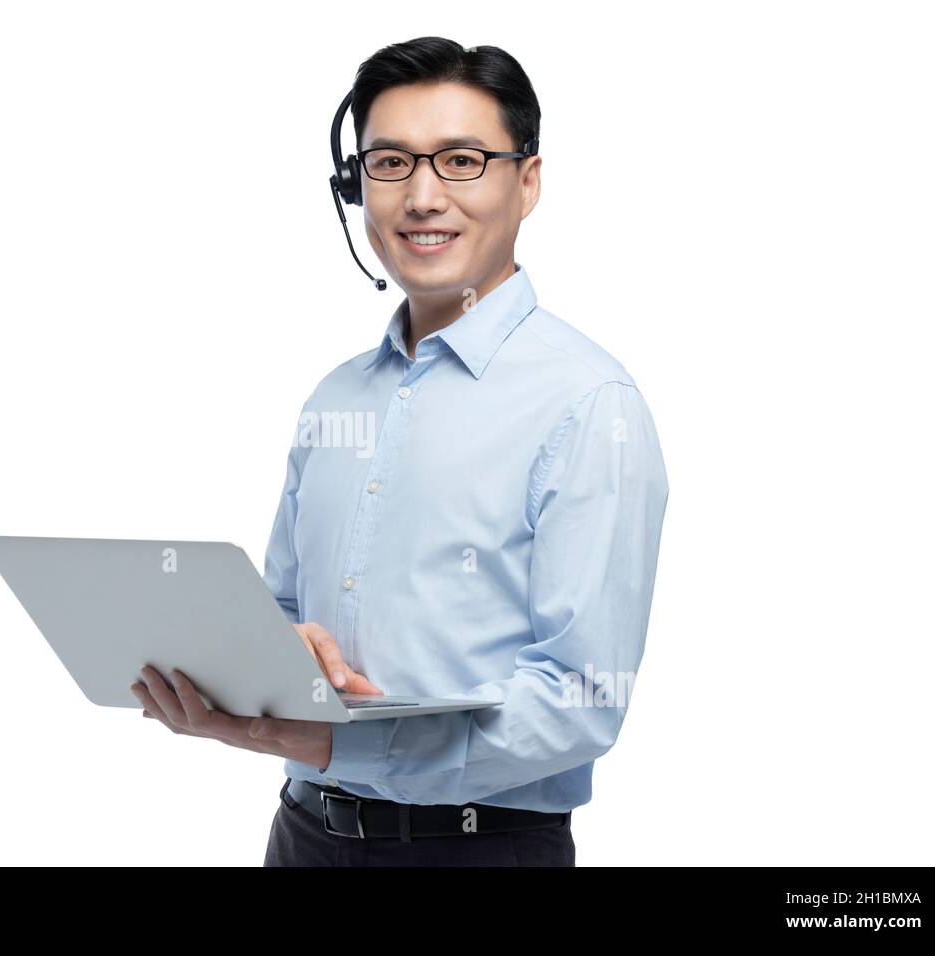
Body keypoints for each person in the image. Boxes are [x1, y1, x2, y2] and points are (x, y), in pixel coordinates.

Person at [129, 36, 669, 867]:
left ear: (526, 182)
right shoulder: (337, 398)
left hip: (477, 851)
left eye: (461, 160)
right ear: (356, 186)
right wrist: (262, 665)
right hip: (303, 835)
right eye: (388, 163)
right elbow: (278, 611)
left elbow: (581, 702)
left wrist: (333, 744)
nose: (421, 197)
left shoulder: (589, 405)